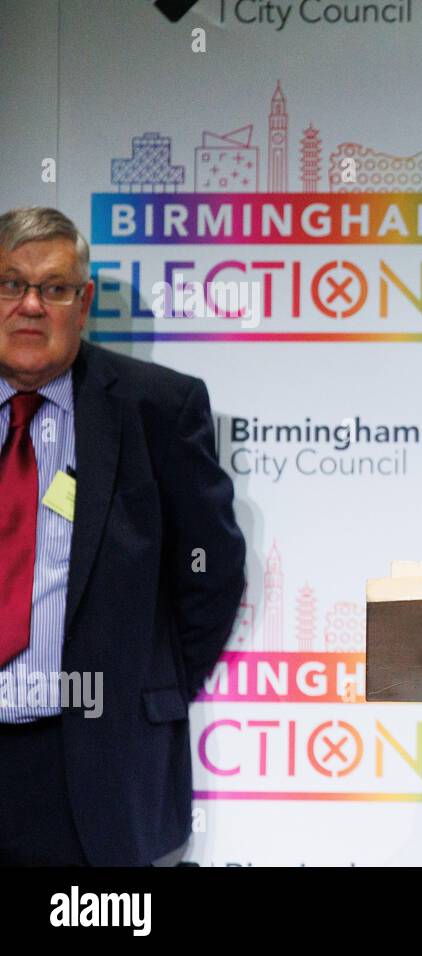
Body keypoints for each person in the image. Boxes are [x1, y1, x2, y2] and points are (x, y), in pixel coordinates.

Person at [0, 207, 246, 866]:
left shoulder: (156, 409)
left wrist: (142, 692)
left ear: (81, 303)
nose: (29, 305)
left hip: (91, 765)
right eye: (10, 284)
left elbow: (211, 574)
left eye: (52, 288)